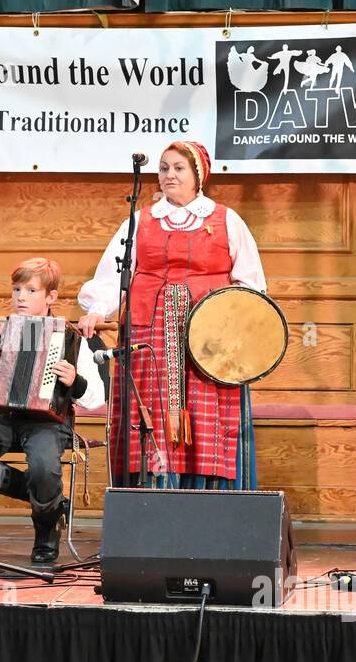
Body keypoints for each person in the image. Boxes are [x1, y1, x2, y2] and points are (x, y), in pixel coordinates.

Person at [78, 140, 266, 490]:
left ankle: (211, 496)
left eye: (178, 168)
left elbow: (250, 283)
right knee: (150, 410)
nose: (169, 175)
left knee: (208, 409)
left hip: (209, 332)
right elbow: (112, 277)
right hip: (151, 329)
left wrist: (238, 331)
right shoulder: (141, 221)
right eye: (164, 168)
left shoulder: (226, 220)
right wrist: (96, 309)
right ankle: (150, 496)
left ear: (198, 176)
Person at [0, 258, 105, 563]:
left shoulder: (72, 338)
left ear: (51, 297)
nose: (20, 297)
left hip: (48, 423)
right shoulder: (3, 334)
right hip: (4, 418)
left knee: (43, 466)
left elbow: (96, 397)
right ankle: (50, 503)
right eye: (16, 289)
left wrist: (73, 381)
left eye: (31, 290)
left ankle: (46, 532)